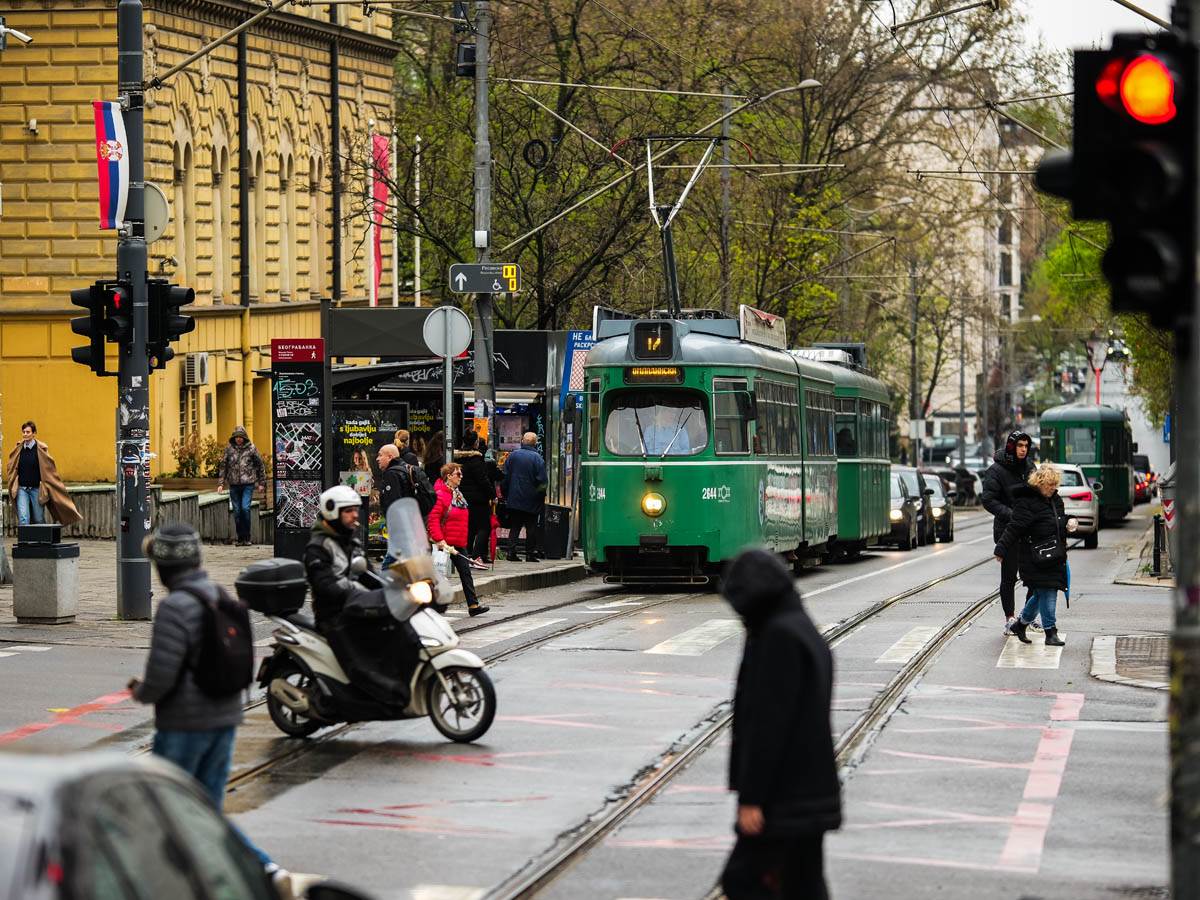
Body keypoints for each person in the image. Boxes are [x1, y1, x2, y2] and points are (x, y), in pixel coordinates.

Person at [127, 523, 280, 874]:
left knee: (166, 807)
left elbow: (162, 676)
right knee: (207, 810)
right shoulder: (219, 595)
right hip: (225, 718)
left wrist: (141, 691)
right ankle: (261, 871)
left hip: (185, 724)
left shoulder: (174, 607)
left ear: (164, 568)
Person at [720, 548, 841, 899]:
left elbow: (768, 724)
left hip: (785, 797)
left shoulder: (777, 637)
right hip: (808, 793)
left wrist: (752, 798)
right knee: (803, 886)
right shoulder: (800, 626)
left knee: (744, 881)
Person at [304, 485, 420, 705]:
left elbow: (368, 574)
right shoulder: (318, 547)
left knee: (394, 621)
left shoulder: (351, 540)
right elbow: (325, 585)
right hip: (334, 613)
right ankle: (368, 690)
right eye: (348, 511)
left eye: (355, 510)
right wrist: (354, 592)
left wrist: (393, 587)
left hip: (355, 604)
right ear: (332, 512)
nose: (355, 515)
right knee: (359, 656)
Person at [995, 465, 1076, 648]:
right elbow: (1014, 527)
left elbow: (1056, 522)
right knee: (1048, 591)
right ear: (1040, 483)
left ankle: (1020, 625)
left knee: (1040, 595)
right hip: (1034, 558)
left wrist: (1068, 521)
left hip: (1054, 555)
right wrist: (1001, 549)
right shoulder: (1027, 502)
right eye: (1049, 484)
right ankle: (1050, 632)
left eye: (1055, 484)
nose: (1053, 488)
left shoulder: (1055, 500)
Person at [982, 430, 1035, 635]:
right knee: (1009, 577)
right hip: (1008, 531)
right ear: (1012, 446)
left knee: (1034, 576)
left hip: (1029, 529)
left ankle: (1027, 618)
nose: (1023, 450)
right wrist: (1012, 515)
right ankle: (1009, 619)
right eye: (1020, 446)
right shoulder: (996, 470)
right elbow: (988, 500)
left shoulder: (1029, 467)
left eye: (1026, 446)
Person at [428, 462, 489, 616]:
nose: (461, 477)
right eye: (458, 474)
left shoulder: (458, 495)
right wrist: (439, 539)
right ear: (449, 476)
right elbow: (433, 519)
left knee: (465, 573)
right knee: (437, 575)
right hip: (443, 542)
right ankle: (430, 605)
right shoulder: (440, 495)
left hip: (458, 542)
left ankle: (473, 605)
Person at [5, 421, 81, 528]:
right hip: (22, 489)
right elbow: (12, 465)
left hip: (36, 489)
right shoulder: (19, 449)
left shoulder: (41, 449)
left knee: (38, 518)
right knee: (23, 518)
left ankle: (41, 538)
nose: (25, 434)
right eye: (23, 432)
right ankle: (26, 539)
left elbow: (49, 468)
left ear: (34, 433)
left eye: (28, 432)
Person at [217, 425, 266, 547]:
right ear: (234, 438)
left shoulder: (251, 448)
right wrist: (221, 483)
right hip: (234, 485)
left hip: (248, 484)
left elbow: (260, 465)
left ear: (244, 437)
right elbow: (223, 466)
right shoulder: (229, 449)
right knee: (237, 512)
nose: (239, 439)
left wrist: (261, 483)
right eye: (236, 437)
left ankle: (247, 537)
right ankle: (240, 538)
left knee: (245, 508)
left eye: (241, 437)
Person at [501, 432, 547, 562]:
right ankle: (529, 554)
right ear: (535, 443)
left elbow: (505, 477)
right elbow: (543, 481)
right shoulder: (537, 459)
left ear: (522, 441)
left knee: (515, 526)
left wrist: (506, 494)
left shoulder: (513, 456)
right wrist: (540, 496)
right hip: (532, 499)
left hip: (514, 498)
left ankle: (511, 552)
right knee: (531, 527)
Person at [455, 432, 495, 568]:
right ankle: (476, 556)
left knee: (470, 528)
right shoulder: (476, 460)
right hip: (478, 499)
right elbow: (483, 480)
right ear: (476, 443)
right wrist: (492, 495)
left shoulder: (458, 458)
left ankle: (467, 555)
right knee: (484, 527)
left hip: (463, 498)